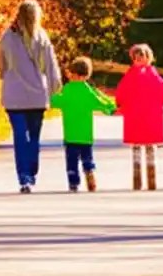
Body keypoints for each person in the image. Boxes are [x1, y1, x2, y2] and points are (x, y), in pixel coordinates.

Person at [0, 0, 61, 193]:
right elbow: (51, 67)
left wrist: (8, 76)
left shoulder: (7, 36)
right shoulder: (41, 37)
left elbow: (1, 66)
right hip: (36, 97)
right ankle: (32, 171)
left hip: (14, 96)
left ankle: (23, 176)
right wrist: (54, 90)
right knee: (34, 137)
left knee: (19, 136)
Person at [116, 44, 163, 191]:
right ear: (149, 58)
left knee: (136, 150)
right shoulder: (155, 77)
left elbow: (120, 96)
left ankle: (137, 179)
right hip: (152, 122)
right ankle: (152, 178)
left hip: (134, 121)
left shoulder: (129, 77)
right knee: (151, 150)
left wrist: (119, 107)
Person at [49, 56, 116, 192]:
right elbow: (100, 102)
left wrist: (50, 97)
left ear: (73, 74)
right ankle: (89, 170)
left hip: (71, 134)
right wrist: (110, 108)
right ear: (86, 75)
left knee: (71, 162)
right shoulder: (88, 91)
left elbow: (56, 101)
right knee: (87, 157)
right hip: (86, 134)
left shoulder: (67, 90)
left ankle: (74, 183)